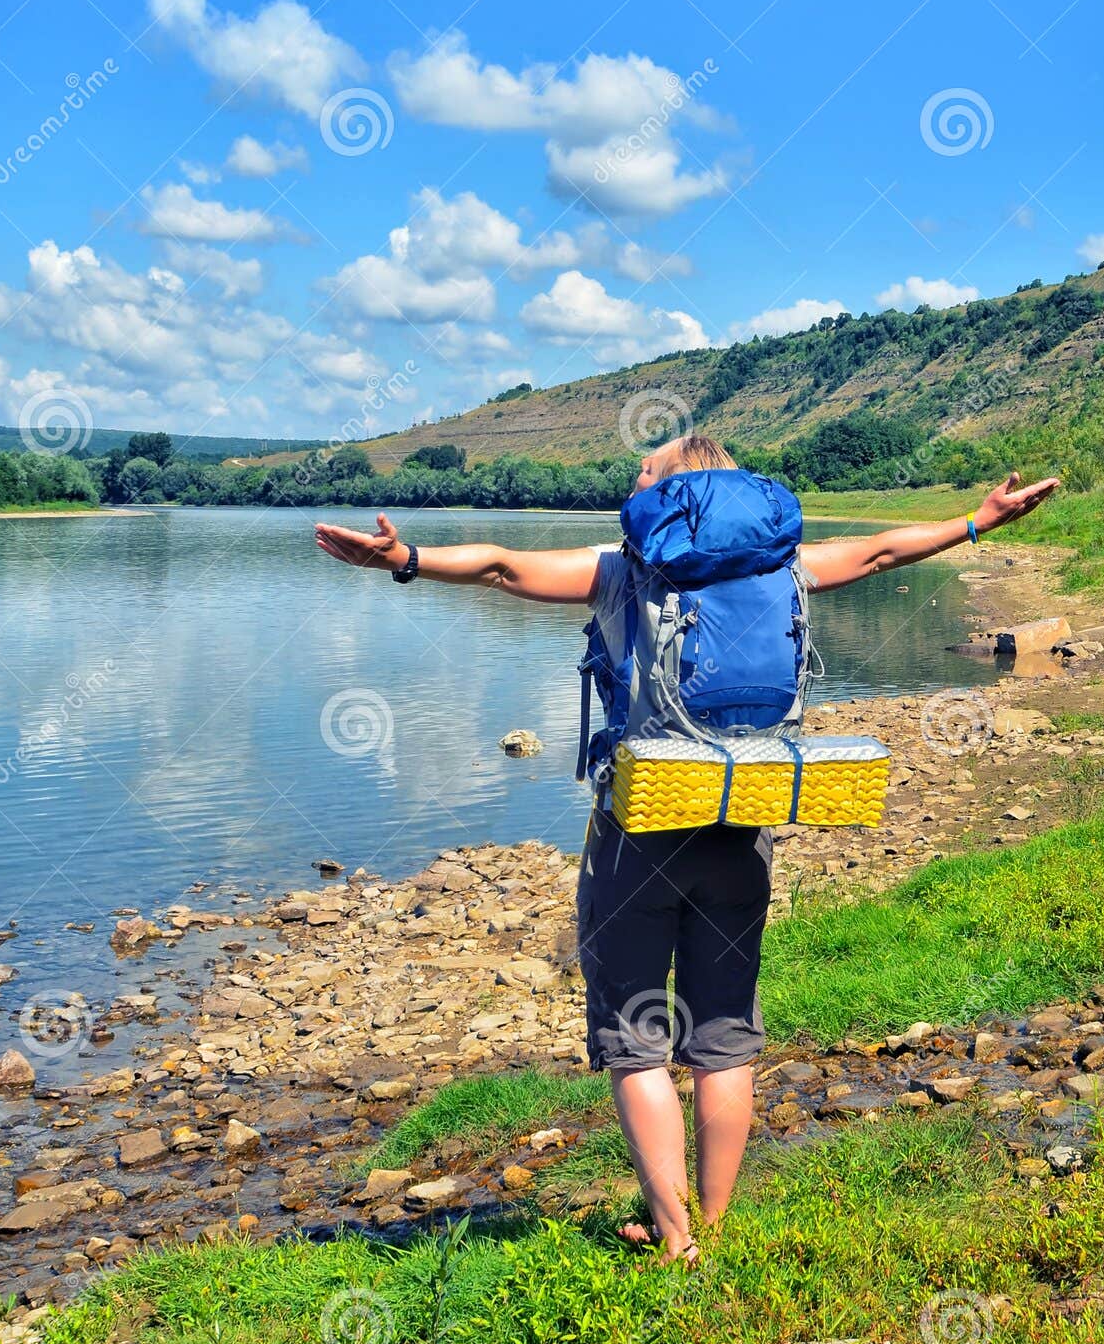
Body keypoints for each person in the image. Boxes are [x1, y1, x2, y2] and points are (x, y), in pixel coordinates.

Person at [315, 436, 1059, 1263]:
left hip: (641, 824)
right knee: (723, 1034)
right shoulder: (781, 568)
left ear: (674, 491)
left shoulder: (625, 567)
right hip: (745, 815)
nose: (632, 479)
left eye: (644, 470)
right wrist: (976, 522)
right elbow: (884, 551)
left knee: (638, 1036)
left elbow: (500, 568)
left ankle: (674, 1237)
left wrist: (405, 558)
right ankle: (711, 1223)